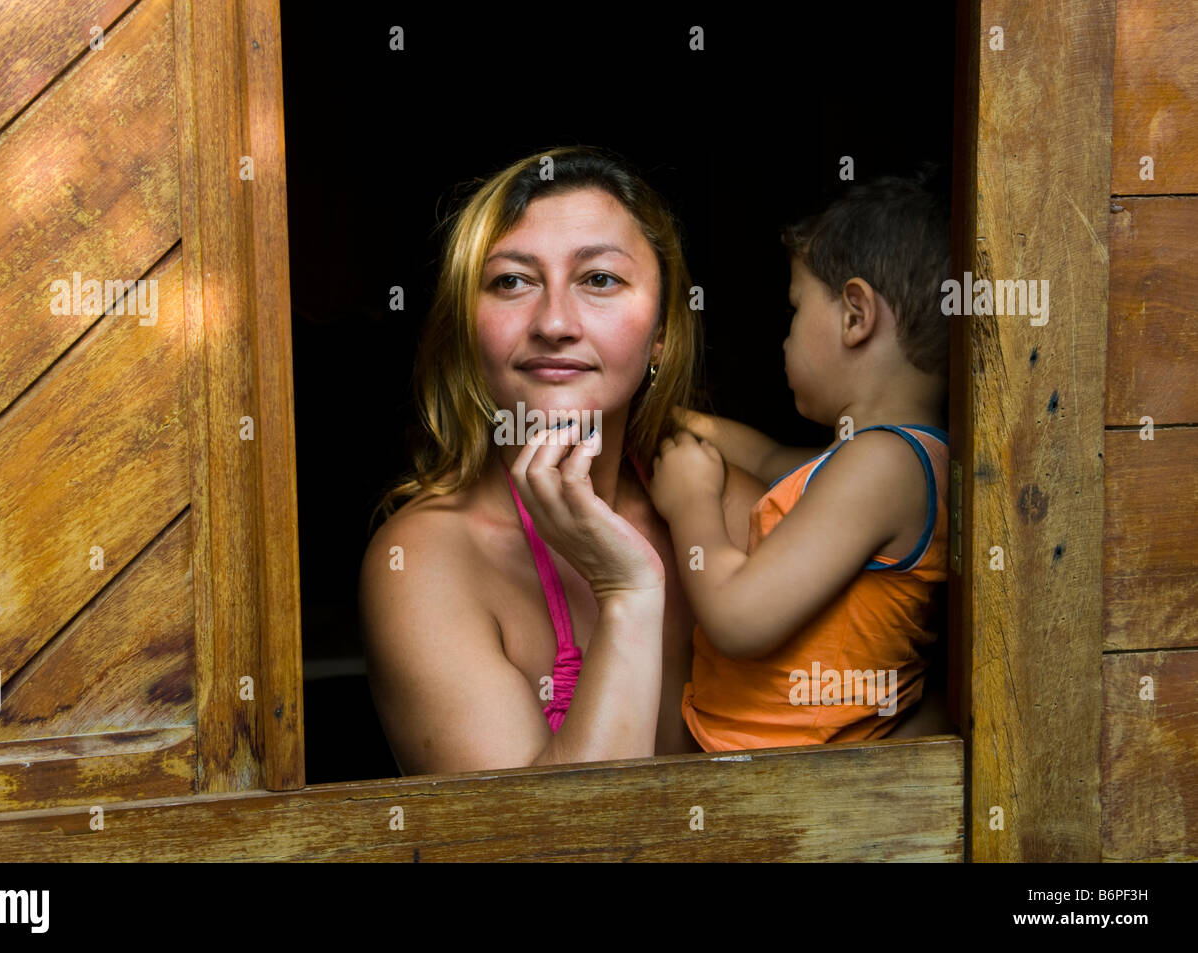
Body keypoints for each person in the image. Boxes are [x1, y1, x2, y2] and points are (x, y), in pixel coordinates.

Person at [360, 145, 706, 775]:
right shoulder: (422, 562)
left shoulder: (713, 508)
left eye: (599, 278)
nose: (553, 322)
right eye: (512, 281)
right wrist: (626, 593)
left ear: (662, 333)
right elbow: (560, 846)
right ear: (468, 327)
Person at [650, 172, 953, 751]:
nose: (785, 339)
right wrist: (676, 416)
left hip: (787, 782)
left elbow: (738, 618)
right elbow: (766, 457)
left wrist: (691, 502)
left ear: (855, 315)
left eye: (794, 310)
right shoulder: (878, 457)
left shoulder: (884, 465)